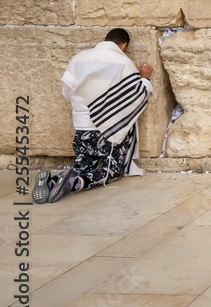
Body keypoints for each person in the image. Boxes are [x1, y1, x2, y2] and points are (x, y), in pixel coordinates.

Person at [32, 28, 152, 203]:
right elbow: (136, 96)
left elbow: (67, 92)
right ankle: (74, 184)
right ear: (124, 45)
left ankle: (52, 181)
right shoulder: (123, 63)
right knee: (111, 171)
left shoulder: (78, 59)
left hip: (82, 127)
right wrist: (145, 78)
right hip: (108, 131)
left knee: (82, 167)